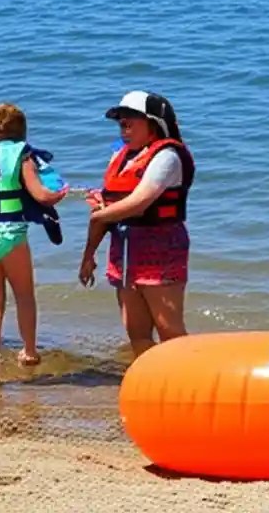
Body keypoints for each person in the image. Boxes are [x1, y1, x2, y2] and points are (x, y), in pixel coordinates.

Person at [80, 91, 195, 359]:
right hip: (124, 251)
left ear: (154, 124)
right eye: (121, 124)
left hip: (161, 248)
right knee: (137, 331)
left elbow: (140, 202)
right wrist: (88, 255)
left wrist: (100, 215)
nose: (124, 129)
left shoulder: (167, 157)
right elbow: (107, 210)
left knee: (170, 330)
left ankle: (186, 385)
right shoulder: (119, 158)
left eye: (131, 123)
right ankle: (154, 387)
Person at [0, 103, 69, 385]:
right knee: (24, 296)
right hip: (10, 234)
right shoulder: (22, 155)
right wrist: (60, 194)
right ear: (20, 129)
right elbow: (41, 194)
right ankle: (29, 351)